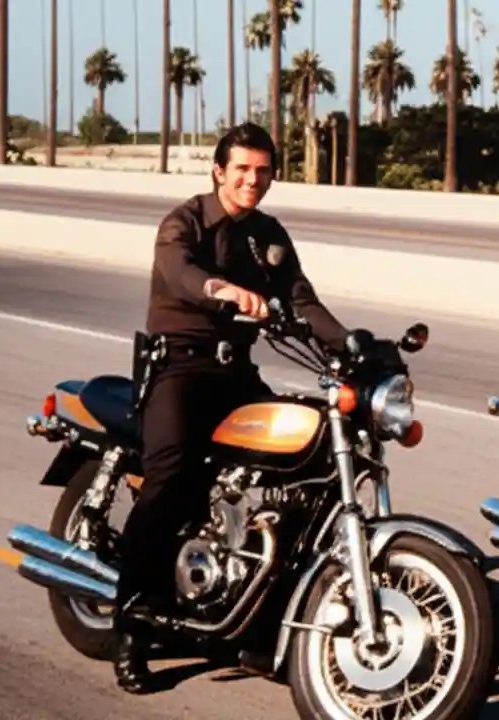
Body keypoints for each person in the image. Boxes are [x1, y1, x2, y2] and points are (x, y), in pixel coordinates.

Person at [112, 122, 350, 693]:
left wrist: (354, 346)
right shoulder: (185, 221)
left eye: (262, 171)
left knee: (305, 455)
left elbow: (301, 299)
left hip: (234, 373)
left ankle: (264, 605)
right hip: (179, 367)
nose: (252, 179)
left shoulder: (268, 234)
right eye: (242, 168)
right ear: (219, 170)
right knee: (170, 476)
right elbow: (182, 275)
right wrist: (224, 291)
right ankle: (131, 624)